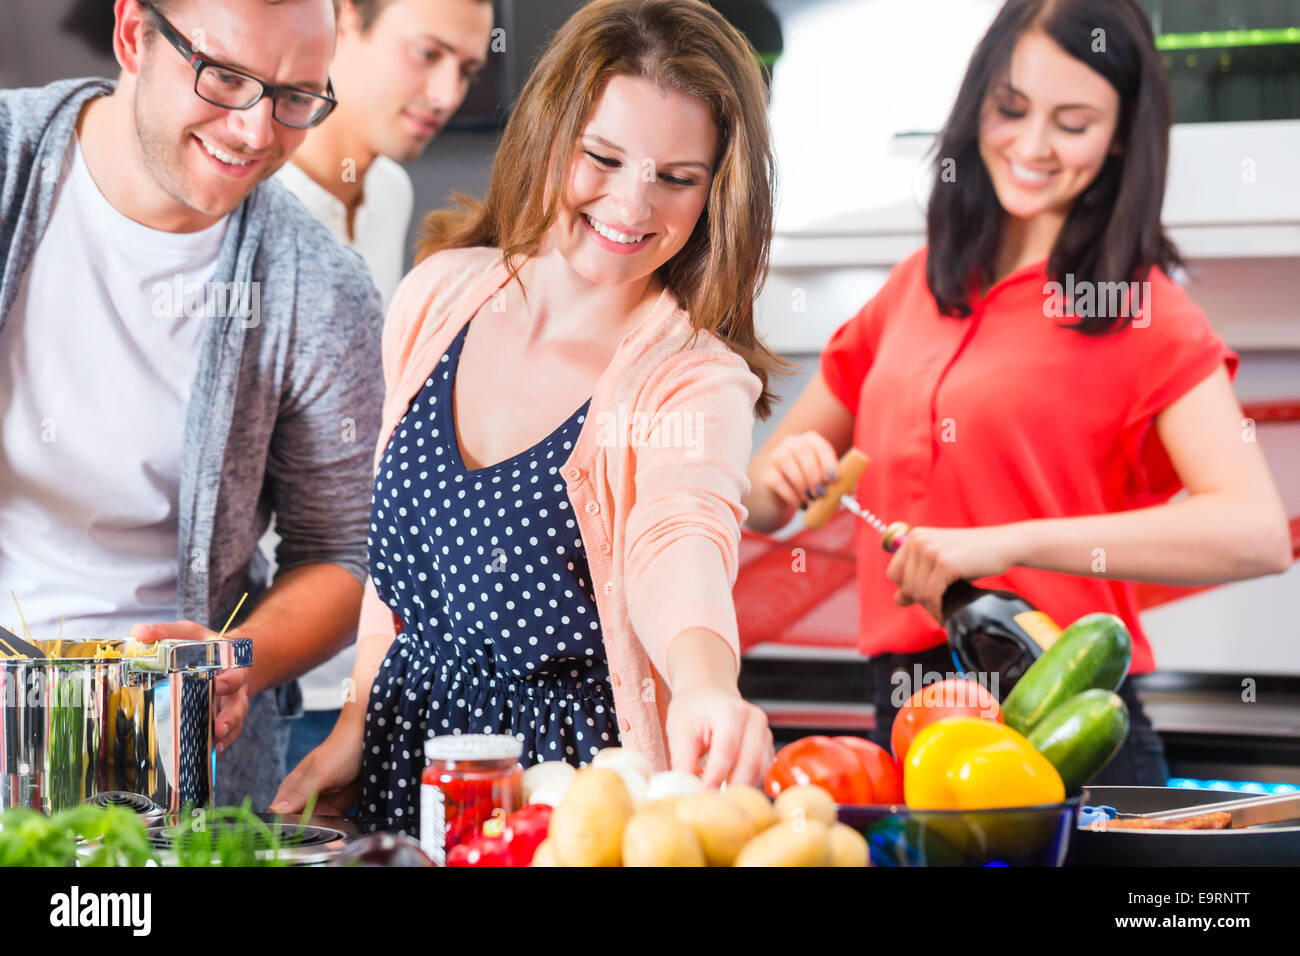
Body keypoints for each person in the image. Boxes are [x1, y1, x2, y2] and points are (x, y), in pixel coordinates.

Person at [744, 0, 1290, 784]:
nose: (1032, 146)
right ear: (979, 106)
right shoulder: (913, 287)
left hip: (1063, 713)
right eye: (1012, 109)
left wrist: (1010, 542)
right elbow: (764, 501)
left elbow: (1257, 533)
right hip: (908, 722)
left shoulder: (1142, 310)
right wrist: (786, 467)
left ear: (1123, 136)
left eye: (1073, 123)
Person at [272, 0, 781, 829]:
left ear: (717, 189)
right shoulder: (437, 297)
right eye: (604, 157)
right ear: (550, 133)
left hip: (564, 798)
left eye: (678, 178)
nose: (632, 204)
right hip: (406, 773)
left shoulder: (691, 377)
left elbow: (678, 535)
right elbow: (391, 576)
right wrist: (358, 723)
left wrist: (703, 685)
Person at [0, 0, 385, 810]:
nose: (255, 132)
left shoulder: (318, 288)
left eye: (295, 98)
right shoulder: (9, 164)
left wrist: (236, 655)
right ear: (133, 33)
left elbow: (346, 555)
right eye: (226, 77)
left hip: (186, 768)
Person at [275, 0, 495, 774]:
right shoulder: (260, 207)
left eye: (466, 68)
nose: (445, 91)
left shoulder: (393, 190)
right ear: (343, 21)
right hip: (282, 681)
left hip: (384, 667)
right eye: (427, 53)